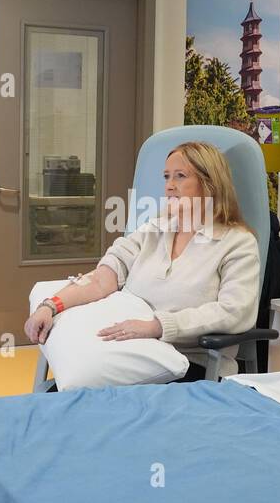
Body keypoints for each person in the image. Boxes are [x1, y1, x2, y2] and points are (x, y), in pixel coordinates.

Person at [24, 141, 259, 380]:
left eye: (180, 176)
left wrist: (158, 326)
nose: (169, 186)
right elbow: (100, 281)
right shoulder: (154, 230)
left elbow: (234, 312)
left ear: (210, 183)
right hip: (131, 351)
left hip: (191, 362)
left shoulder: (237, 242)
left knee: (89, 405)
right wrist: (51, 306)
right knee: (60, 399)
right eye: (166, 177)